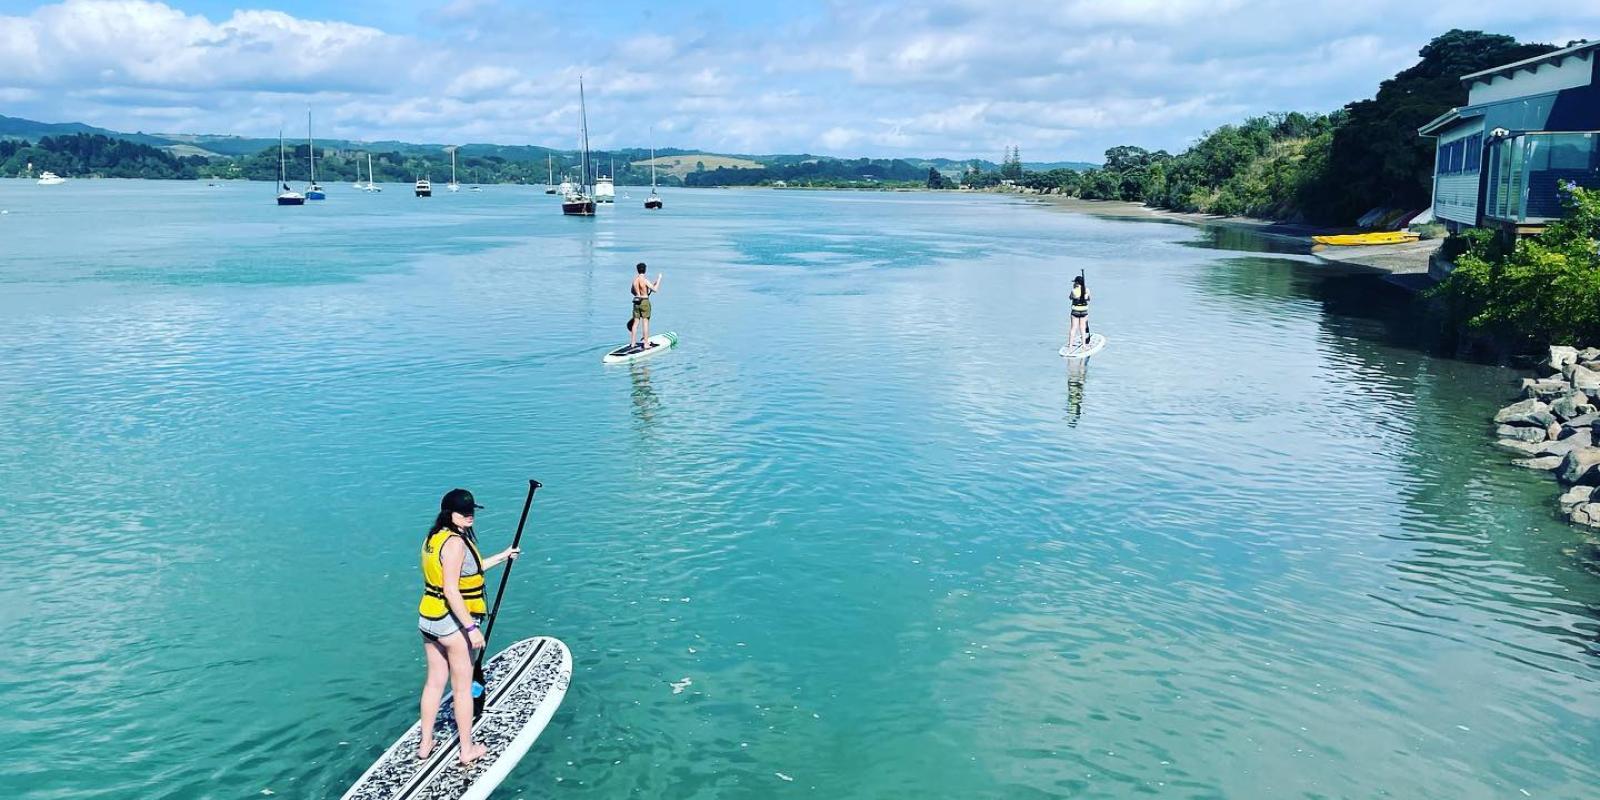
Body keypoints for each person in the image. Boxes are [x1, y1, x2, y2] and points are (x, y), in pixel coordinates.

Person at [416, 488, 519, 765]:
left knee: (434, 682)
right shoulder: (456, 543)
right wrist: (472, 630)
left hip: (428, 619)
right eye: (464, 512)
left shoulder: (434, 538)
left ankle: (425, 744)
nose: (470, 515)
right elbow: (452, 590)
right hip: (451, 624)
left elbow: (466, 571)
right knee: (462, 688)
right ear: (450, 514)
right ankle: (467, 749)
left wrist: (503, 556)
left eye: (472, 511)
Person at [629, 262, 663, 351]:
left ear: (637, 270)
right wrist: (659, 279)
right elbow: (655, 290)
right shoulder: (645, 280)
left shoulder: (634, 281)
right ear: (645, 270)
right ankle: (646, 344)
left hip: (636, 302)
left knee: (635, 323)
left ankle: (632, 343)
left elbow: (632, 291)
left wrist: (639, 293)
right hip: (644, 302)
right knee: (645, 322)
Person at [1068, 274, 1091, 350]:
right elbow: (1088, 299)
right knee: (1082, 328)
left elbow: (1070, 297)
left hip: (1075, 311)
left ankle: (1070, 346)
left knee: (1073, 328)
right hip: (1084, 311)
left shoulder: (1073, 290)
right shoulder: (1087, 290)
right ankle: (1084, 345)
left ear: (1077, 283)